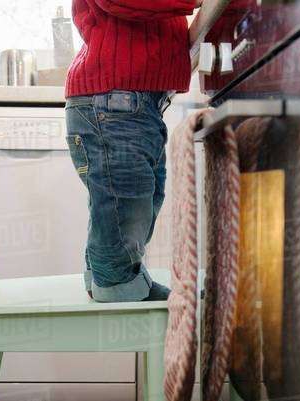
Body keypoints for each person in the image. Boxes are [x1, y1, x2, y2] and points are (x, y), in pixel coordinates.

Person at [65, 0, 201, 302]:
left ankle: (107, 275)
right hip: (113, 104)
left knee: (136, 196)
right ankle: (116, 283)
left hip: (133, 104)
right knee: (125, 198)